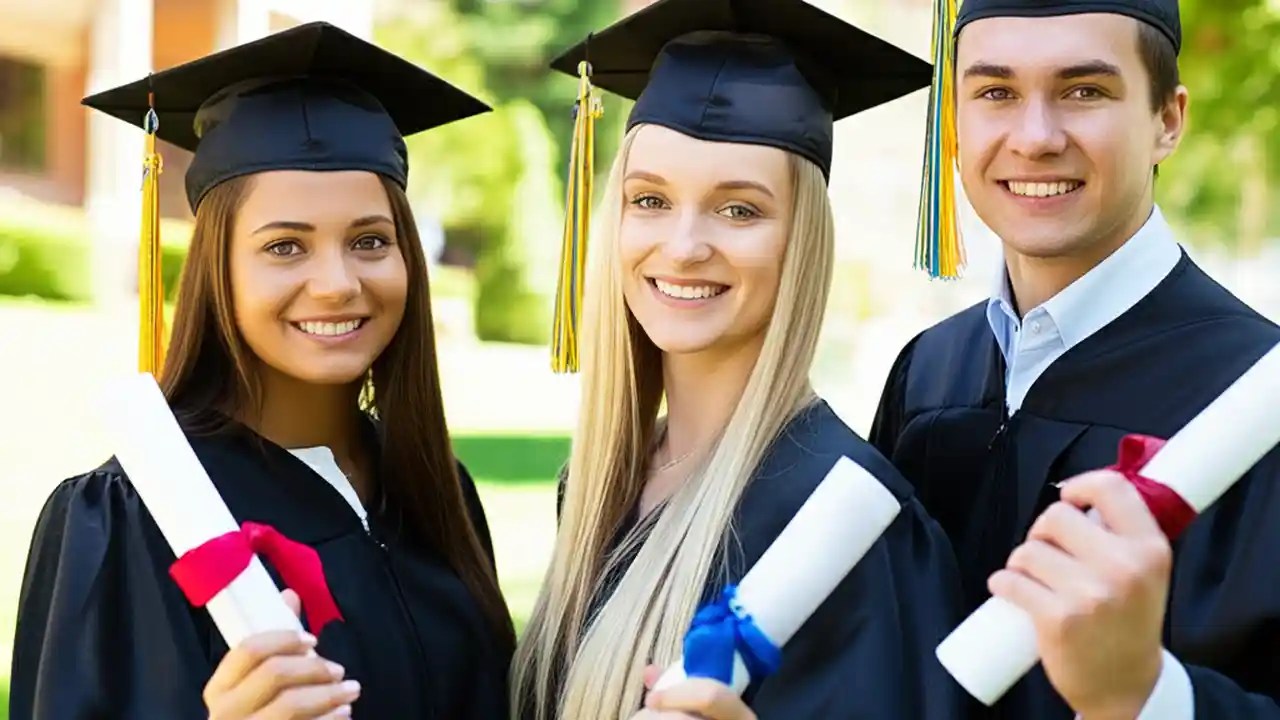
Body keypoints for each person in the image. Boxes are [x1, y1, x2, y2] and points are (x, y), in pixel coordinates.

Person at [9, 22, 514, 720]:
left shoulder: (434, 493)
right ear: (219, 271)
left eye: (370, 240)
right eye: (284, 247)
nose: (337, 283)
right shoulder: (129, 517)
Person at [513, 0, 968, 718]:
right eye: (651, 199)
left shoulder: (849, 525)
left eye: (739, 210)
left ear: (802, 240)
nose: (685, 245)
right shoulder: (601, 486)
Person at [871, 0, 1280, 718]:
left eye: (1084, 91)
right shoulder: (927, 374)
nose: (1034, 137)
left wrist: (1145, 698)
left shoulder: (1257, 398)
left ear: (1168, 120)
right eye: (995, 93)